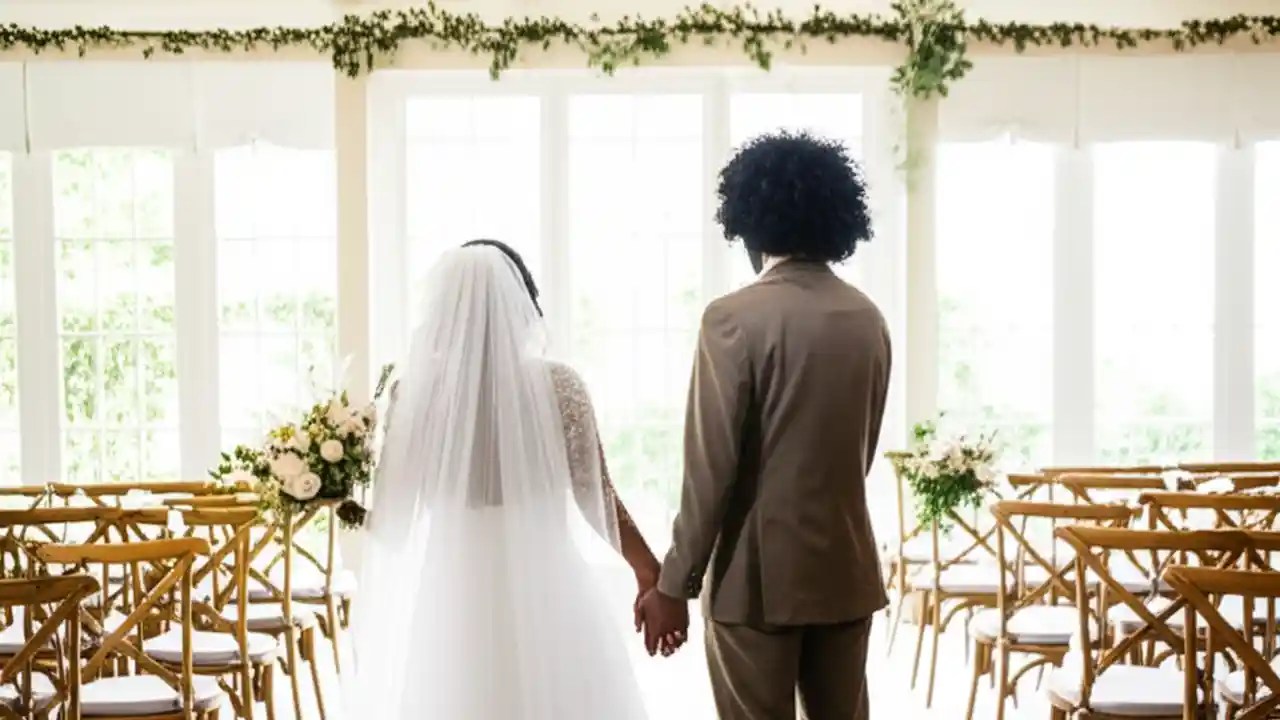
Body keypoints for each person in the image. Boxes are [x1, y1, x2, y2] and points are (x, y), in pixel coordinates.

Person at [636, 131, 892, 719]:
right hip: (845, 571)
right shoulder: (867, 318)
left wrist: (673, 586)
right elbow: (861, 449)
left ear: (747, 220)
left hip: (755, 583)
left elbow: (710, 473)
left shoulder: (732, 319)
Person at [345, 241, 657, 718]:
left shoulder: (416, 394)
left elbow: (394, 523)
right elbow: (598, 497)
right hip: (548, 586)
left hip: (452, 595)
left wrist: (338, 499)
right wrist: (649, 570)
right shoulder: (560, 386)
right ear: (524, 306)